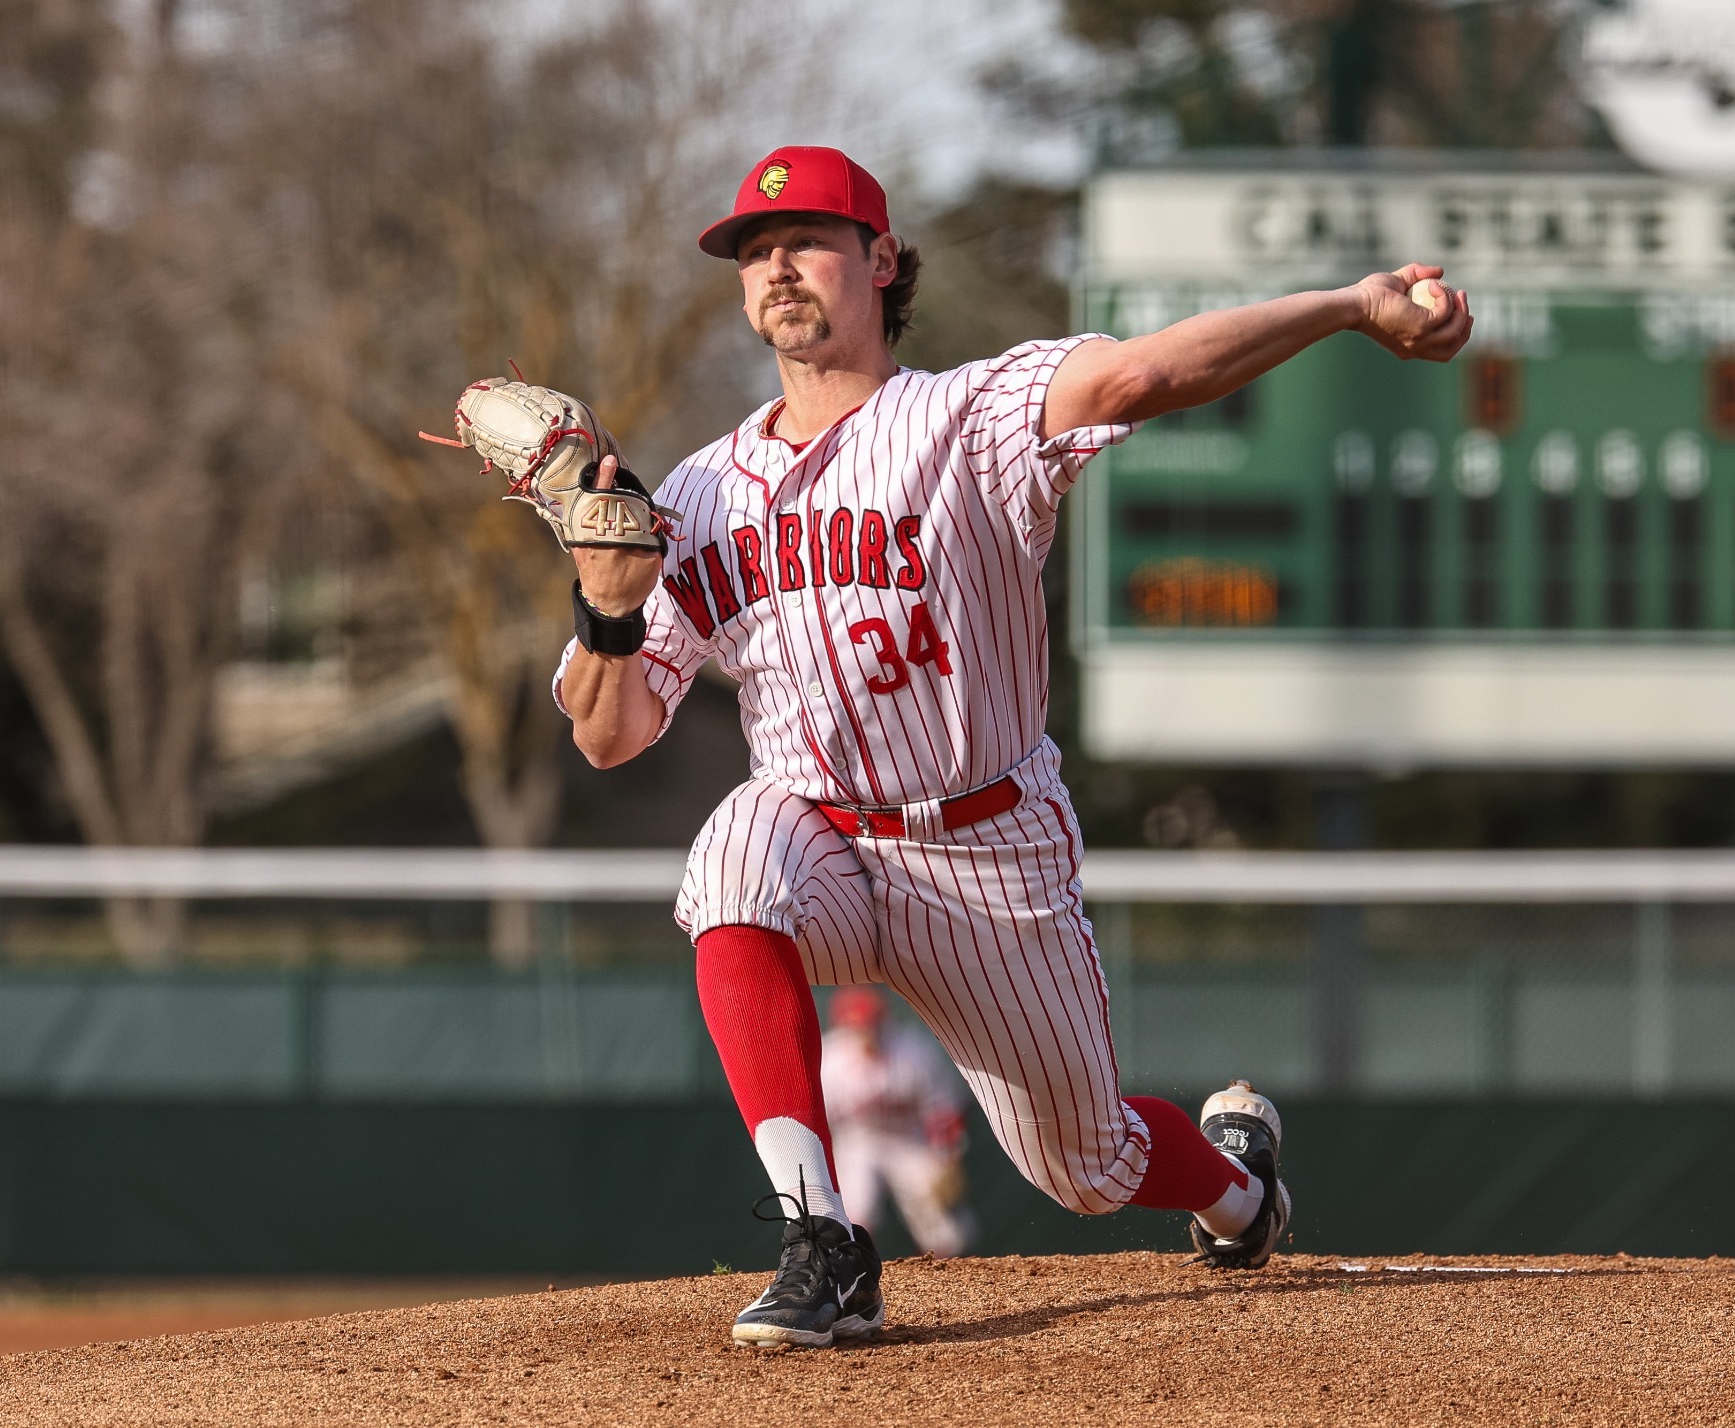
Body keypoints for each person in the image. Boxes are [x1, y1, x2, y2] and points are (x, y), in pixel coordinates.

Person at [555, 145, 1471, 1348]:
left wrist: (1349, 306)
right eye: (753, 251)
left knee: (1083, 1164)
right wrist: (607, 613)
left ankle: (1238, 1189)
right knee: (733, 855)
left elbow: (1142, 371)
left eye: (809, 240)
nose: (777, 267)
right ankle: (820, 1236)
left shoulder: (963, 416)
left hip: (987, 853)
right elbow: (612, 738)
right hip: (819, 837)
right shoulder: (698, 492)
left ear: (880, 262)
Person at [820, 986, 975, 1259]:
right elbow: (820, 1120)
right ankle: (853, 1273)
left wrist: (946, 1157)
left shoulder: (913, 1051)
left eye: (869, 1023)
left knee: (946, 1230)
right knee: (855, 1211)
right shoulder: (829, 1057)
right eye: (854, 1026)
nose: (863, 1031)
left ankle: (937, 1279)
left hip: (908, 1139)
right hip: (858, 1141)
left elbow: (944, 1108)